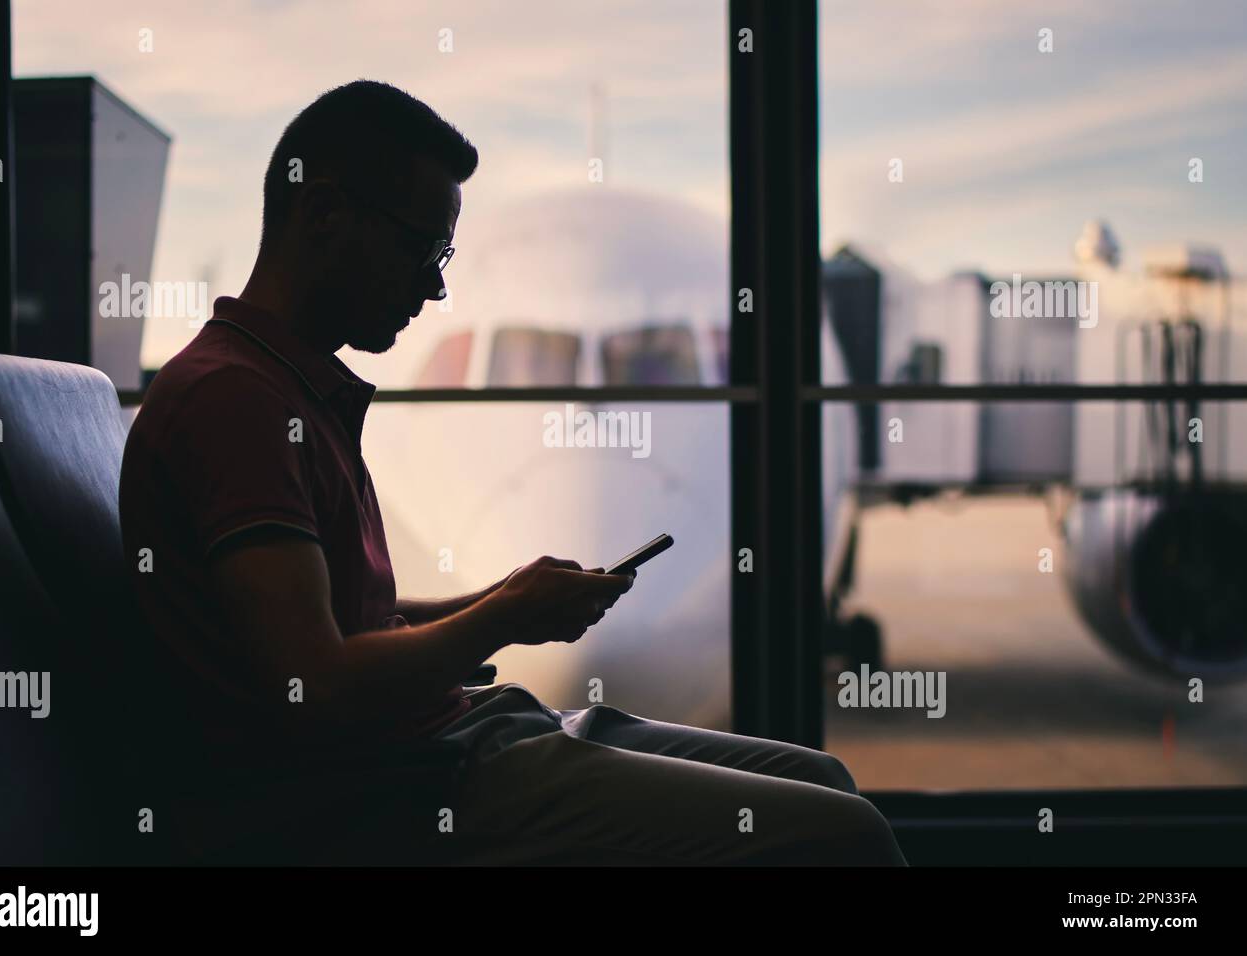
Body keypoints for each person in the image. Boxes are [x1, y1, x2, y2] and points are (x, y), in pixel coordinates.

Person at [119, 79, 906, 866]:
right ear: (323, 214)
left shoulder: (280, 385)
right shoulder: (235, 401)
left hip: (444, 737)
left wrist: (508, 597)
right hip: (387, 786)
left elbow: (349, 622)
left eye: (445, 254)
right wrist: (503, 619)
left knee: (827, 780)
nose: (435, 286)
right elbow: (315, 684)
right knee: (847, 834)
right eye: (420, 249)